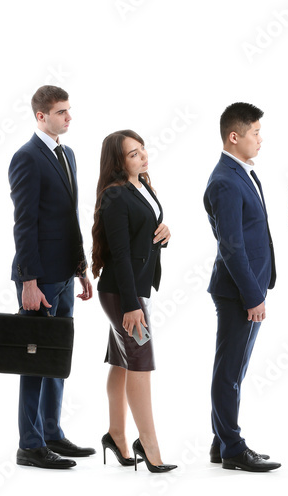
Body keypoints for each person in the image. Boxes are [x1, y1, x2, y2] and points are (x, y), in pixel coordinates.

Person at [8, 85, 94, 469]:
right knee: (35, 360)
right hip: (38, 278)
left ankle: (52, 433)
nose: (69, 117)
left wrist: (81, 268)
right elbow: (24, 224)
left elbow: (70, 218)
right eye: (61, 112)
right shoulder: (26, 158)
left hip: (64, 272)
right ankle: (30, 444)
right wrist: (28, 281)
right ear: (41, 116)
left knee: (57, 357)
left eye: (69, 110)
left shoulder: (68, 154)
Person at [91, 130, 176, 473]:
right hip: (123, 294)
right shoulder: (114, 196)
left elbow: (145, 232)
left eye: (142, 150)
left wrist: (164, 233)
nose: (143, 157)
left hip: (137, 290)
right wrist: (131, 305)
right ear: (118, 161)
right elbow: (121, 254)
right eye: (133, 154)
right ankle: (149, 444)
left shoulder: (142, 185)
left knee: (122, 363)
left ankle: (115, 434)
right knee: (141, 364)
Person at [203, 102, 280, 472]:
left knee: (235, 370)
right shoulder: (225, 180)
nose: (260, 139)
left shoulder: (243, 173)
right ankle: (233, 448)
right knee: (229, 372)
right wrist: (253, 294)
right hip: (237, 291)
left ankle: (221, 442)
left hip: (249, 287)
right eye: (255, 132)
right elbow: (231, 246)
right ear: (234, 137)